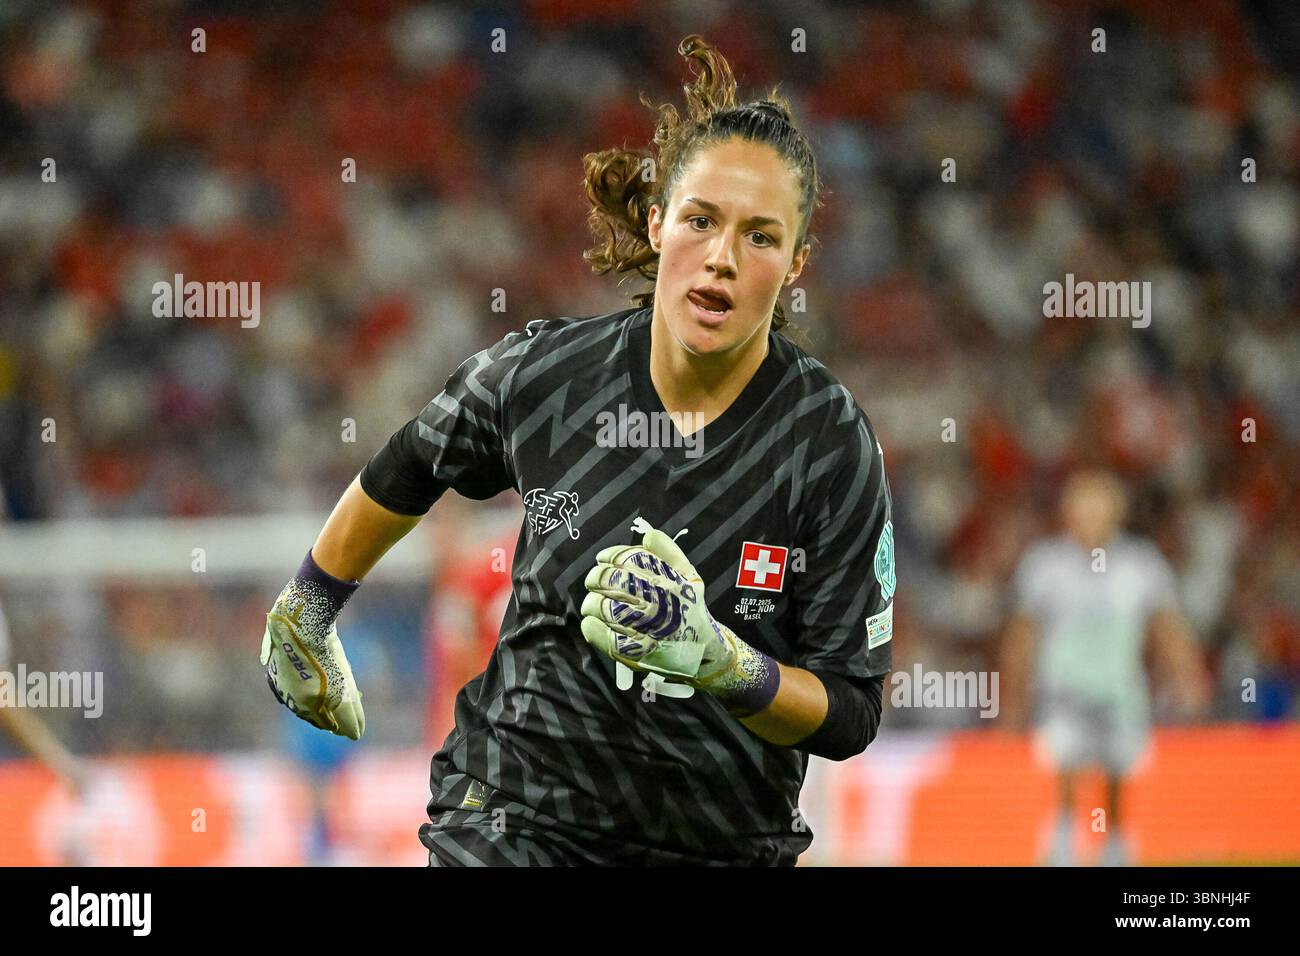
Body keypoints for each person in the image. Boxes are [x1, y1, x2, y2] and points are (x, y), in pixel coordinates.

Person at [259, 35, 895, 866]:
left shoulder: (830, 444)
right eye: (701, 220)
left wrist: (725, 662)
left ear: (797, 261)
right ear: (660, 221)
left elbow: (850, 711)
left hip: (718, 843)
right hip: (512, 819)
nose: (723, 258)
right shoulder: (550, 377)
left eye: (761, 236)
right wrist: (309, 605)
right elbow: (414, 462)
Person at [1000, 470, 1209, 866]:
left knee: (1118, 775)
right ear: (1067, 513)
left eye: (1098, 508)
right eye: (1082, 508)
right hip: (1062, 693)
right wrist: (1013, 695)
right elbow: (1021, 635)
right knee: (1065, 768)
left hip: (1120, 693)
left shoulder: (1141, 563)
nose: (1090, 518)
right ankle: (1063, 845)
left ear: (1117, 512)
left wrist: (1189, 676)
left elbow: (1167, 627)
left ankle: (1113, 846)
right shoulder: (1045, 565)